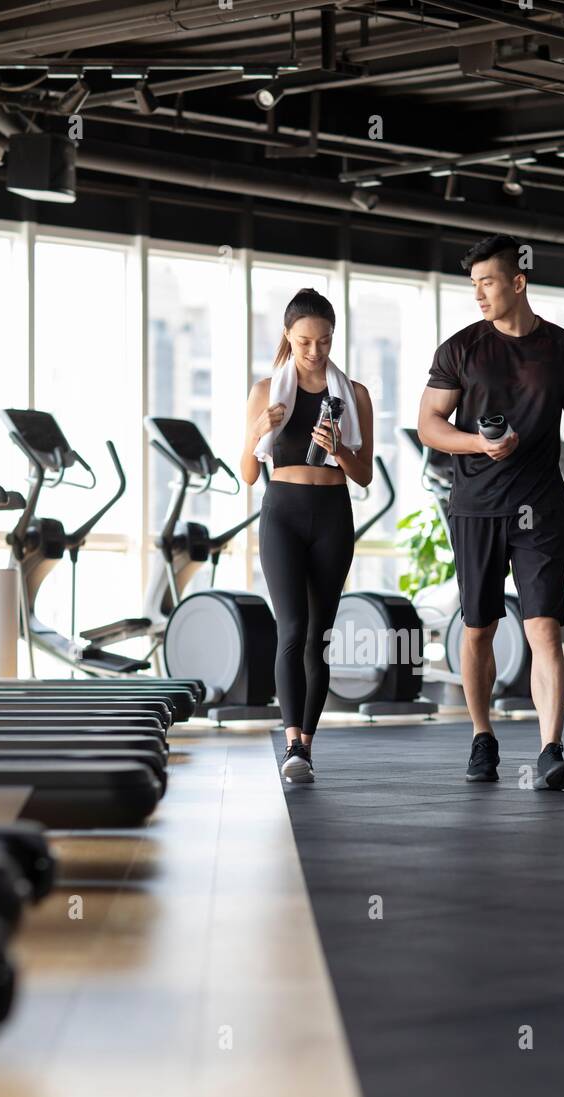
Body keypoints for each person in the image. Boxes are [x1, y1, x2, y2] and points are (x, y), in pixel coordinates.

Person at [418, 234, 564, 789]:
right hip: (475, 506)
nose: (478, 293)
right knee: (479, 627)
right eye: (473, 284)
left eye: (488, 282)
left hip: (541, 506)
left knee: (544, 626)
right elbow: (430, 424)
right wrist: (479, 444)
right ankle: (482, 736)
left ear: (518, 282)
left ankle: (551, 750)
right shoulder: (460, 349)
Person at [240, 288, 374, 783]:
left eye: (324, 341)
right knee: (291, 630)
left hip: (332, 513)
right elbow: (249, 476)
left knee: (319, 637)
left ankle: (308, 748)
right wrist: (257, 432)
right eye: (304, 343)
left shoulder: (353, 395)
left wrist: (339, 449)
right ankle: (291, 742)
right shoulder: (264, 392)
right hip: (283, 513)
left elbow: (364, 477)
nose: (315, 352)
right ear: (287, 338)